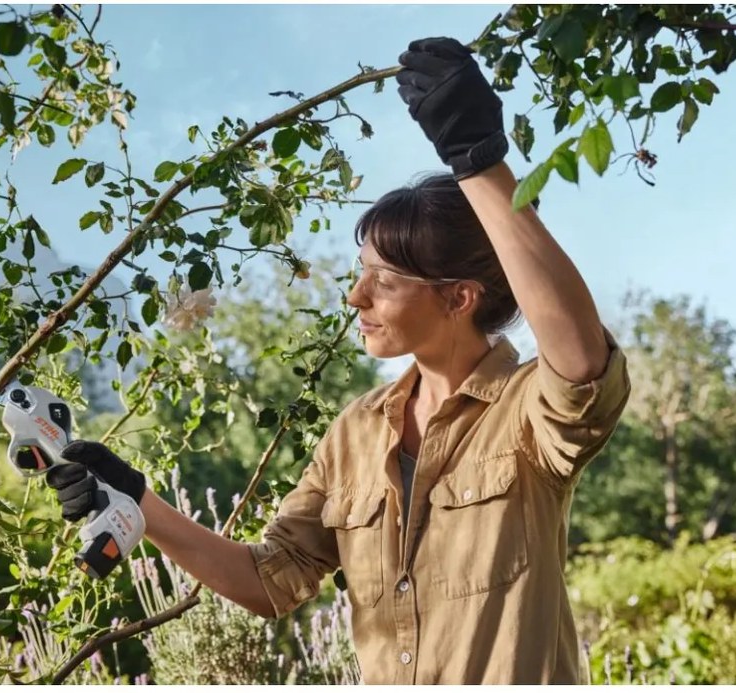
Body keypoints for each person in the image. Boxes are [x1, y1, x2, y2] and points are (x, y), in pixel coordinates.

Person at [47, 37, 630, 684]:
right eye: (361, 273)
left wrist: (479, 163)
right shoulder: (355, 433)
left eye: (384, 280)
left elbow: (579, 359)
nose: (356, 296)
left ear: (460, 297)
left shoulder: (528, 414)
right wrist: (139, 502)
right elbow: (273, 579)